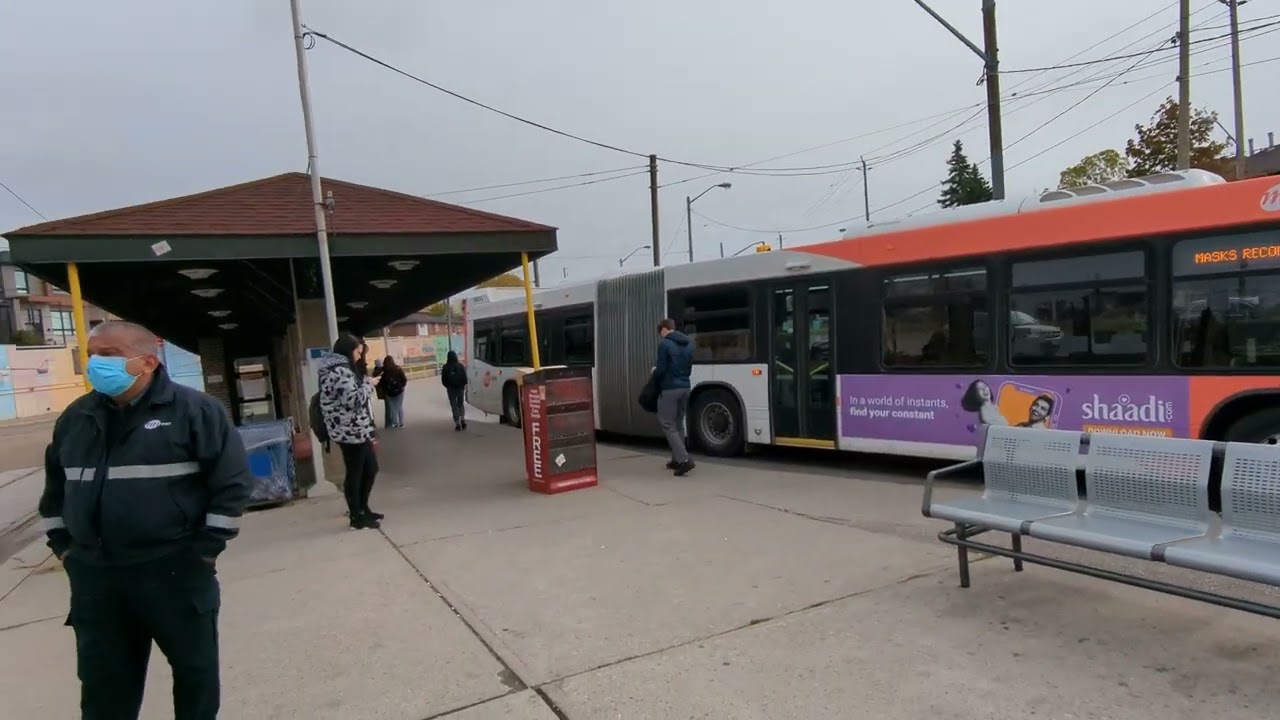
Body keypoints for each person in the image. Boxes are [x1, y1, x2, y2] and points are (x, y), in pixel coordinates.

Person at [37, 320, 252, 720]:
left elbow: (233, 484)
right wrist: (65, 550)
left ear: (148, 361)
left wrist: (204, 552)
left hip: (174, 572)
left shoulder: (195, 411)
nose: (96, 364)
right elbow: (54, 493)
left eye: (109, 355)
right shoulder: (76, 418)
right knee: (103, 689)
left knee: (195, 679)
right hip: (97, 580)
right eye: (92, 355)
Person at [316, 334, 383, 529]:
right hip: (350, 431)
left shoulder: (334, 369)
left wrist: (364, 382)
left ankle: (363, 508)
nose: (359, 356)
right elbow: (353, 401)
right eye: (357, 352)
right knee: (356, 473)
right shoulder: (340, 371)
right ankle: (356, 515)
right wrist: (369, 385)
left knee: (370, 468)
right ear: (348, 351)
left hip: (354, 429)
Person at [654, 318, 695, 476]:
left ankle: (684, 460)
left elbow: (662, 369)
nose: (661, 335)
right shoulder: (689, 343)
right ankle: (677, 459)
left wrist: (654, 372)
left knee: (667, 423)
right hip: (685, 386)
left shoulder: (665, 344)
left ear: (664, 329)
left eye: (660, 332)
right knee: (678, 423)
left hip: (670, 388)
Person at [376, 355, 408, 429]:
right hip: (400, 391)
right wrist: (401, 386)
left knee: (393, 408)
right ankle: (401, 423)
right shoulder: (398, 369)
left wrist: (386, 390)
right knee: (399, 407)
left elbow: (381, 383)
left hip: (389, 393)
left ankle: (395, 423)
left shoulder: (385, 372)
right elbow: (404, 379)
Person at [440, 350, 468, 431]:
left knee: (454, 406)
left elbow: (443, 379)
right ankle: (462, 419)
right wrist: (463, 385)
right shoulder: (460, 366)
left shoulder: (446, 367)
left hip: (451, 389)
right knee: (461, 404)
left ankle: (457, 423)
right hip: (460, 388)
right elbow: (465, 378)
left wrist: (448, 386)